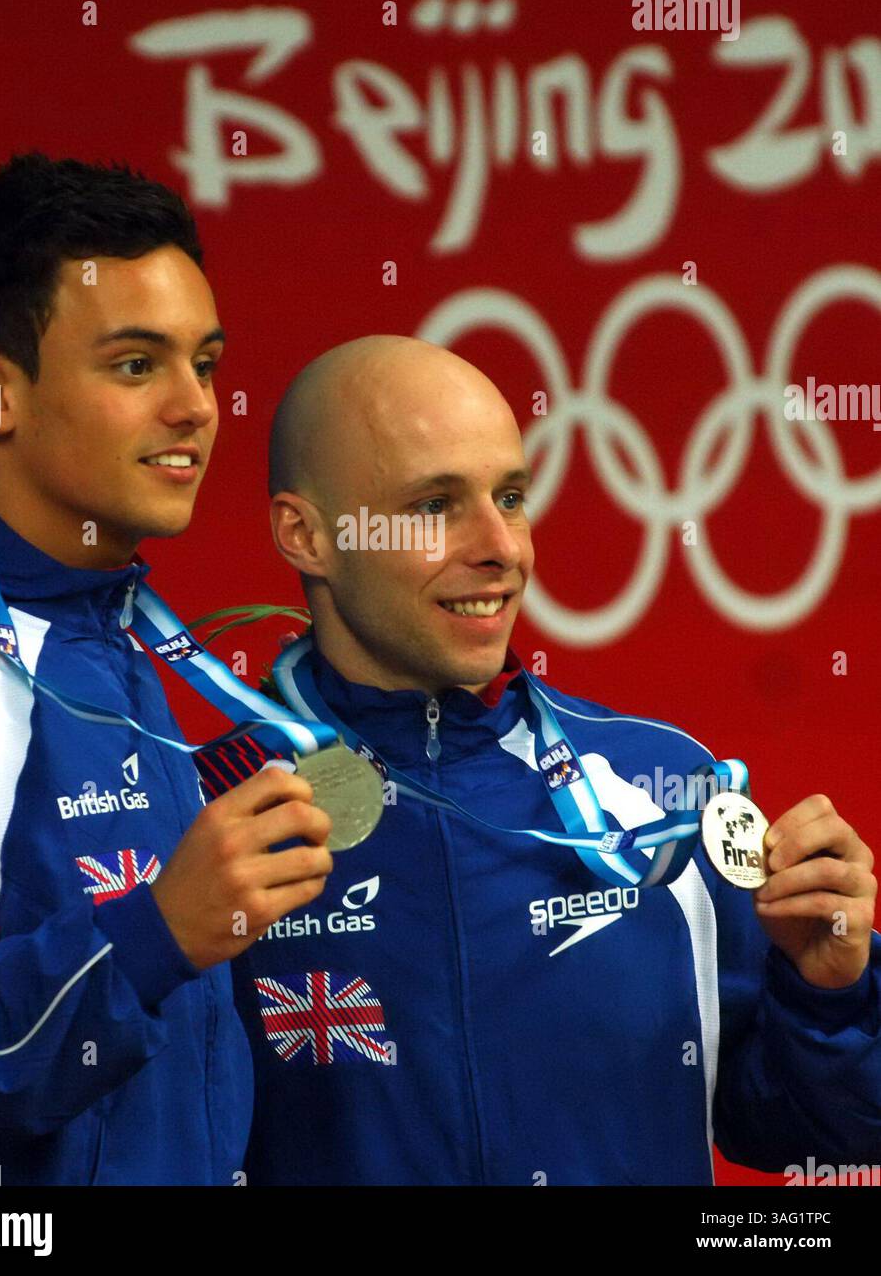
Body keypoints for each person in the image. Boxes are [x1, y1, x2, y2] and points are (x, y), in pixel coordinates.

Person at [198, 334, 881, 1186]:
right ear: (306, 535)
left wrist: (827, 994)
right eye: (436, 505)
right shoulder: (211, 825)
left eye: (511, 496)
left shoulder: (666, 795)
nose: (502, 548)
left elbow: (807, 1132)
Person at [0, 153, 332, 1185]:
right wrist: (148, 938)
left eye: (207, 362)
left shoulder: (146, 650)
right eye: (137, 365)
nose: (197, 407)